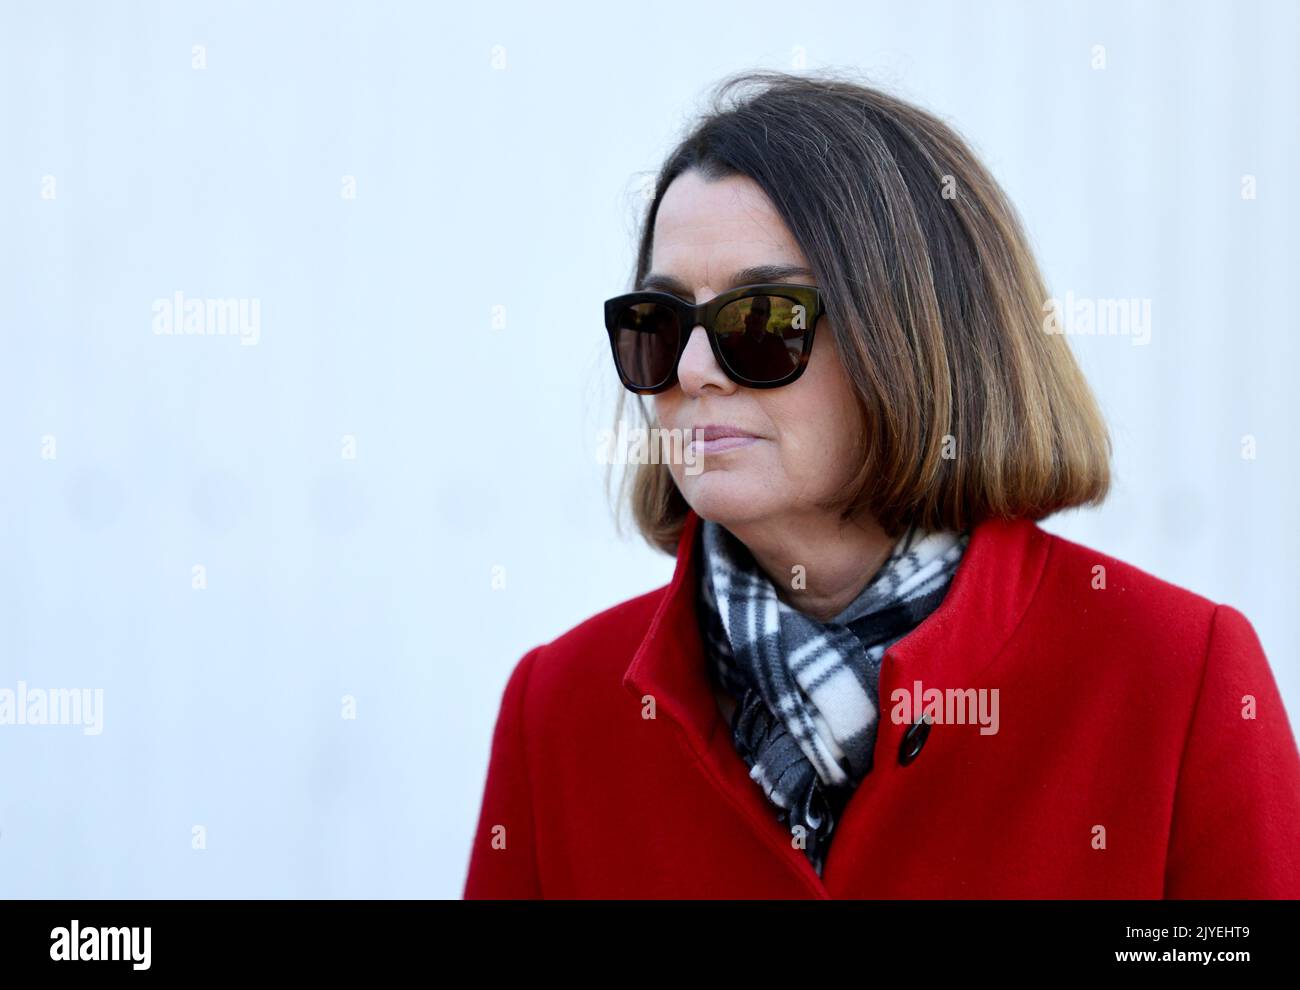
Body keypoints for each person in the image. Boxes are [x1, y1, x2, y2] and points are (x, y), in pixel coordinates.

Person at [463, 70, 1300, 898]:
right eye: (660, 322)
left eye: (764, 319)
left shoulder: (1175, 679)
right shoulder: (562, 710)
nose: (692, 369)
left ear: (914, 335)